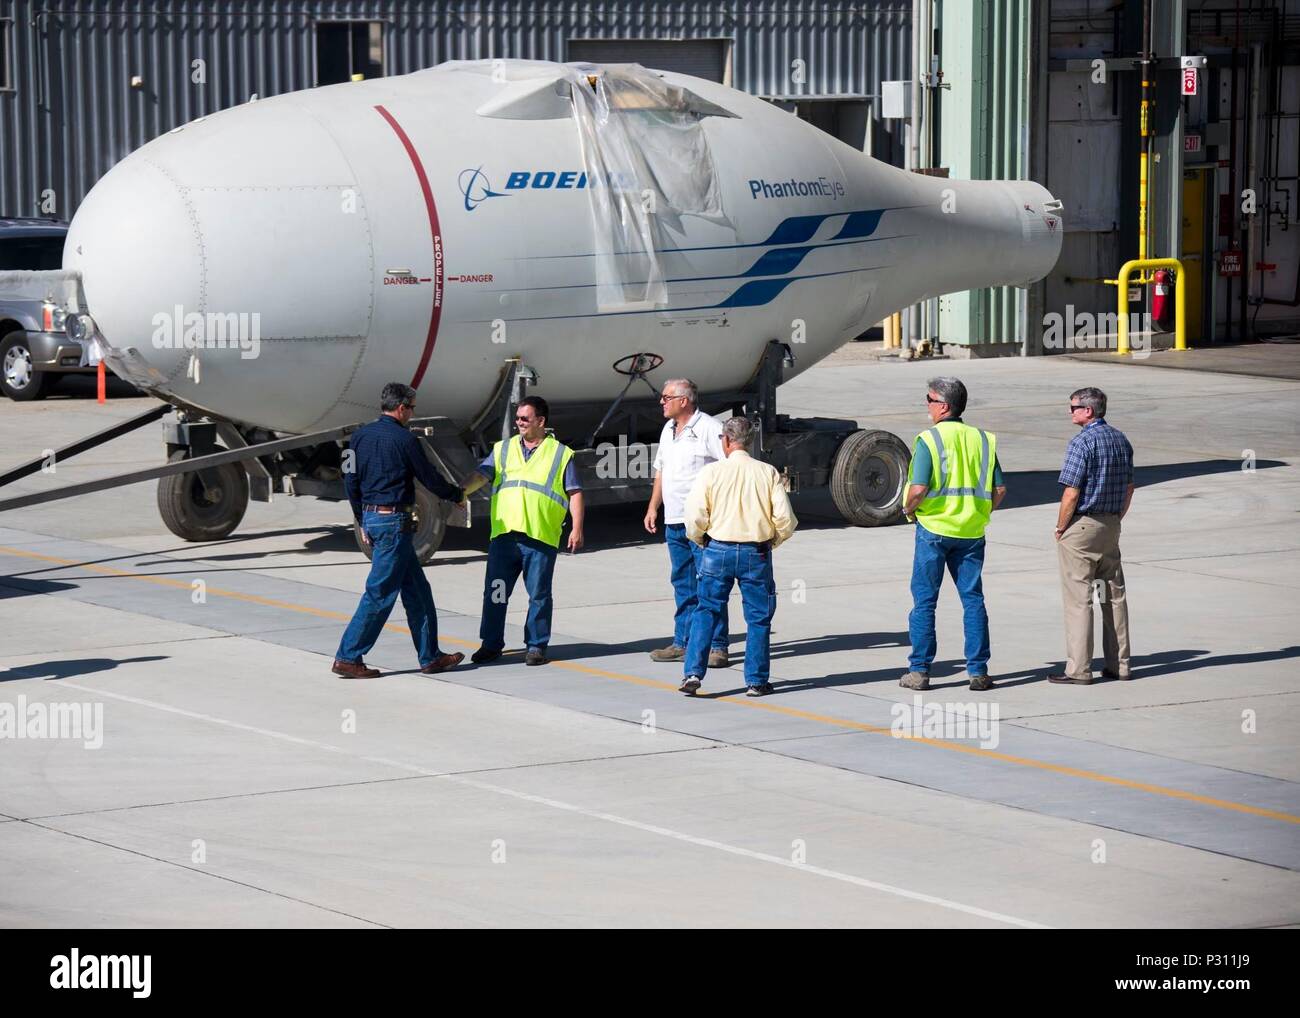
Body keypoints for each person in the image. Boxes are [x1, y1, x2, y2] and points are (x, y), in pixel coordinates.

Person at [334, 382, 465, 679]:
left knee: (418, 591)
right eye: (413, 408)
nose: (413, 413)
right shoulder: (406, 440)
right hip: (394, 524)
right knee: (380, 593)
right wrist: (455, 494)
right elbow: (429, 477)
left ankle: (430, 656)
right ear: (402, 407)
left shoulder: (359, 437)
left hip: (376, 520)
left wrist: (361, 519)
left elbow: (350, 481)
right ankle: (348, 656)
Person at [900, 377, 1007, 693]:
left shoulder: (929, 440)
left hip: (933, 529)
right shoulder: (983, 439)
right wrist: (981, 512)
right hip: (971, 532)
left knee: (924, 601)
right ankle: (978, 671)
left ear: (944, 406)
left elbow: (918, 489)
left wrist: (908, 510)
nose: (927, 405)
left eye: (929, 399)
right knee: (973, 600)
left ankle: (919, 671)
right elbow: (999, 489)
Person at [680, 416, 797, 697]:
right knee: (758, 617)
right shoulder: (767, 472)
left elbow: (694, 514)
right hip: (755, 552)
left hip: (717, 549)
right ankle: (756, 681)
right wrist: (772, 541)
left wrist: (701, 539)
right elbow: (786, 519)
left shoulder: (711, 473)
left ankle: (693, 673)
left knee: (706, 610)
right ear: (750, 441)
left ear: (727, 441)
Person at [463, 396, 584, 667]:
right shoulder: (503, 449)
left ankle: (536, 645)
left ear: (540, 421)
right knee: (495, 592)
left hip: (539, 537)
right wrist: (459, 493)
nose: (519, 423)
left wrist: (577, 528)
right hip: (504, 536)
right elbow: (481, 475)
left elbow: (574, 492)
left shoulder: (560, 453)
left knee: (539, 594)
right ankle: (490, 644)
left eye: (524, 419)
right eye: (517, 418)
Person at [1048, 387, 1134, 685]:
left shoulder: (1081, 443)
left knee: (1079, 599)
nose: (1070, 412)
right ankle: (1120, 665)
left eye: (1073, 407)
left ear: (1088, 411)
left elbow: (1071, 492)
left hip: (1082, 527)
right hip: (1110, 525)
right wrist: (1115, 519)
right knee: (1113, 595)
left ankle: (1079, 669)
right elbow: (1129, 488)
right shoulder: (1121, 439)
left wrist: (1061, 527)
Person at [643, 378, 729, 668]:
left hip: (702, 523)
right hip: (674, 521)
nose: (661, 401)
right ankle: (683, 642)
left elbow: (728, 468)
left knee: (710, 584)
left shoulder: (709, 428)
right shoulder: (668, 429)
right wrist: (653, 506)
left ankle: (717, 646)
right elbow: (661, 470)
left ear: (684, 400)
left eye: (666, 397)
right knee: (682, 583)